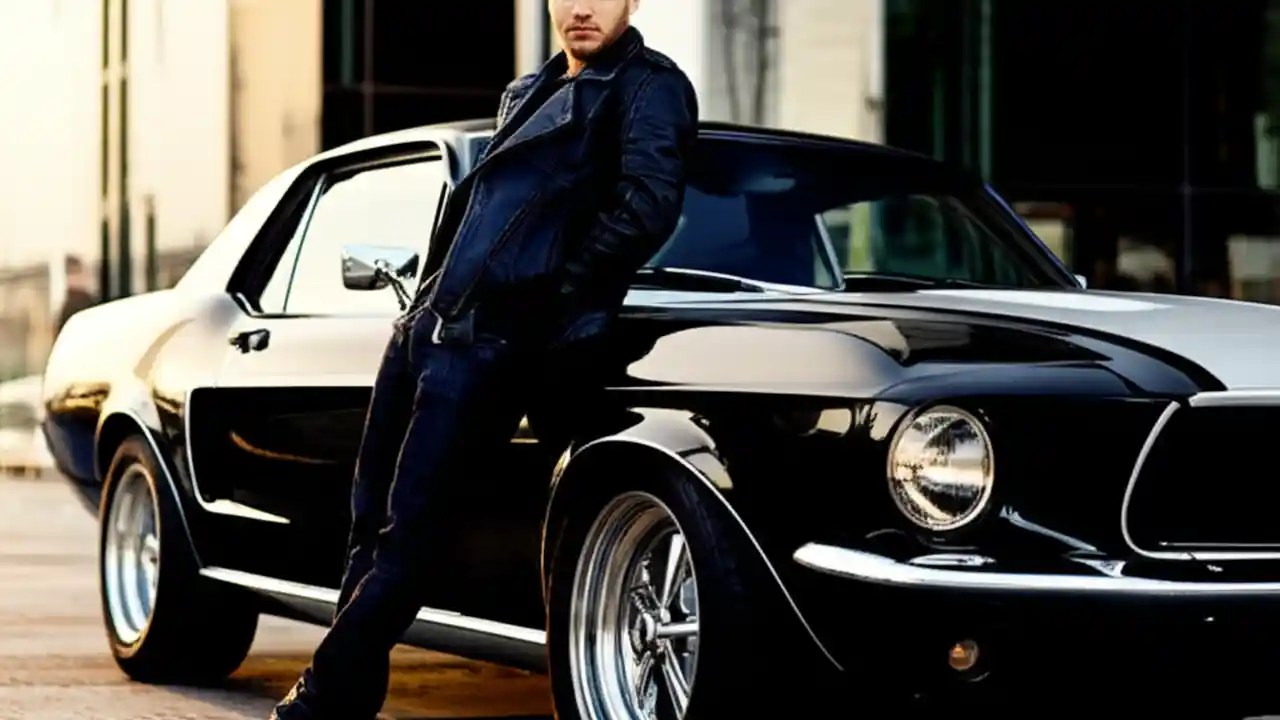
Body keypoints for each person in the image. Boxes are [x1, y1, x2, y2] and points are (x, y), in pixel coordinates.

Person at [269, 0, 698, 717]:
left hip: (496, 341)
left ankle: (317, 703)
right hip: (428, 329)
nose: (581, 8)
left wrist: (548, 296)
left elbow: (647, 207)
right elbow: (480, 211)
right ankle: (347, 700)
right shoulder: (527, 90)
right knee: (367, 522)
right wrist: (420, 309)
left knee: (411, 536)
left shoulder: (649, 86)